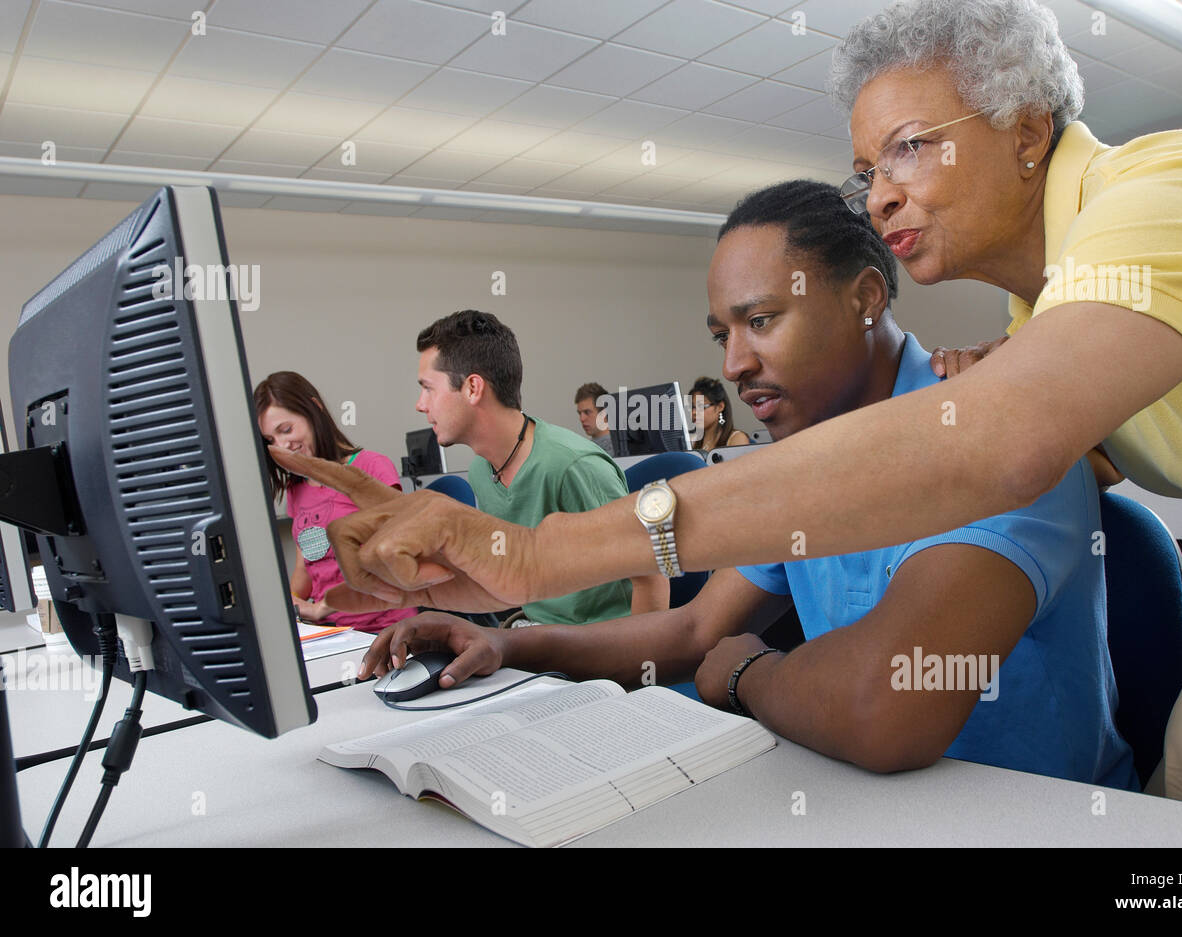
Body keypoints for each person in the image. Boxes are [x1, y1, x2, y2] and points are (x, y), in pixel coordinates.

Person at [270, 0, 1182, 844]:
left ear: (1029, 132)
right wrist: (513, 638)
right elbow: (688, 630)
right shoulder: (1028, 325)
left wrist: (552, 563)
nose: (881, 194)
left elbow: (990, 453)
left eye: (908, 148)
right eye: (866, 171)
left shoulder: (1147, 203)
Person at [280, 181, 1136, 790]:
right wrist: (507, 644)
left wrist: (750, 674)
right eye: (722, 331)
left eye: (762, 321)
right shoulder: (801, 463)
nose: (732, 365)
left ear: (867, 297)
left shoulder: (995, 436)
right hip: (861, 802)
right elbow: (693, 626)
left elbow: (885, 706)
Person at [415, 311, 667, 625]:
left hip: (603, 653)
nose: (421, 404)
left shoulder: (572, 466)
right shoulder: (481, 470)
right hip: (539, 639)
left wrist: (635, 663)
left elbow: (651, 577)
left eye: (428, 388)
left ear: (472, 388)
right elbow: (510, 577)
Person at [253, 371, 416, 633]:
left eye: (286, 430)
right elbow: (306, 569)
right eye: (271, 440)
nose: (281, 446)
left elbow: (398, 558)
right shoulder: (298, 490)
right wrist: (285, 602)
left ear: (314, 410)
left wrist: (323, 606)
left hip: (384, 628)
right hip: (330, 632)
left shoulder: (371, 467)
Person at [687, 377, 749, 451]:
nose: (694, 412)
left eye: (700, 406)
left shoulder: (736, 438)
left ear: (720, 407)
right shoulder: (692, 441)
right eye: (692, 407)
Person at [573, 382, 614, 455]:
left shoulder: (618, 449)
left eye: (587, 412)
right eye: (580, 413)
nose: (581, 419)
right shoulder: (586, 448)